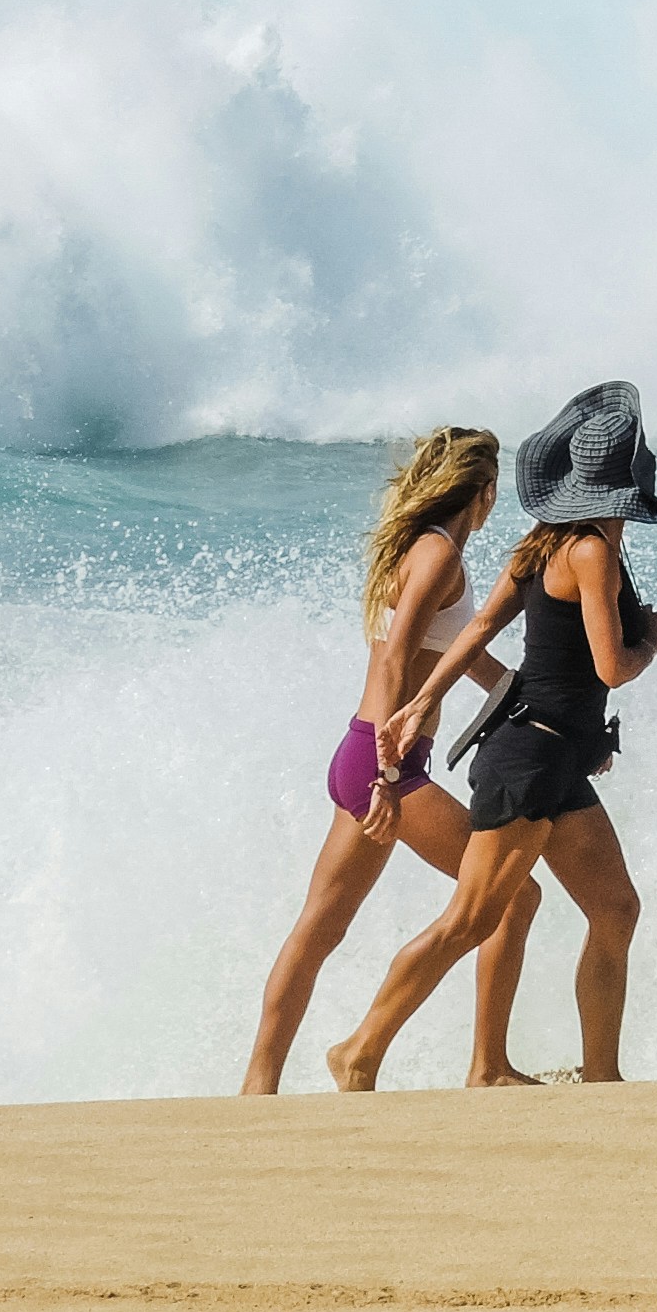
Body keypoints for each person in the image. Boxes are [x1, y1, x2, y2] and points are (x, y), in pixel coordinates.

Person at [326, 381, 657, 1091]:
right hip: (530, 759)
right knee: (469, 920)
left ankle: (602, 1075)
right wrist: (656, 643)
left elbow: (481, 629)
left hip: (552, 753)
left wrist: (425, 698)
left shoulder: (542, 544)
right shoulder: (593, 554)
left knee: (615, 907)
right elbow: (613, 665)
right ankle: (358, 1049)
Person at [237, 425, 541, 1094]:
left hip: (366, 752)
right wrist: (384, 775)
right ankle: (479, 1066)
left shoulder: (422, 550)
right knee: (515, 895)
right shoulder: (437, 555)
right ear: (484, 493)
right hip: (386, 764)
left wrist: (550, 713)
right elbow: (401, 659)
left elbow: (469, 664)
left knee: (318, 928)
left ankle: (257, 1090)